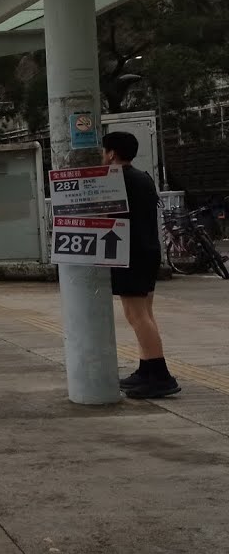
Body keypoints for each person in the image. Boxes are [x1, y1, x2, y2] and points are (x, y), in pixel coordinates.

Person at [104, 131, 180, 399]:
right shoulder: (142, 177)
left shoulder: (117, 180)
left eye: (105, 151)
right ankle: (146, 368)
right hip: (147, 251)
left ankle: (160, 375)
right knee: (145, 313)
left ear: (112, 153)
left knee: (136, 315)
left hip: (131, 254)